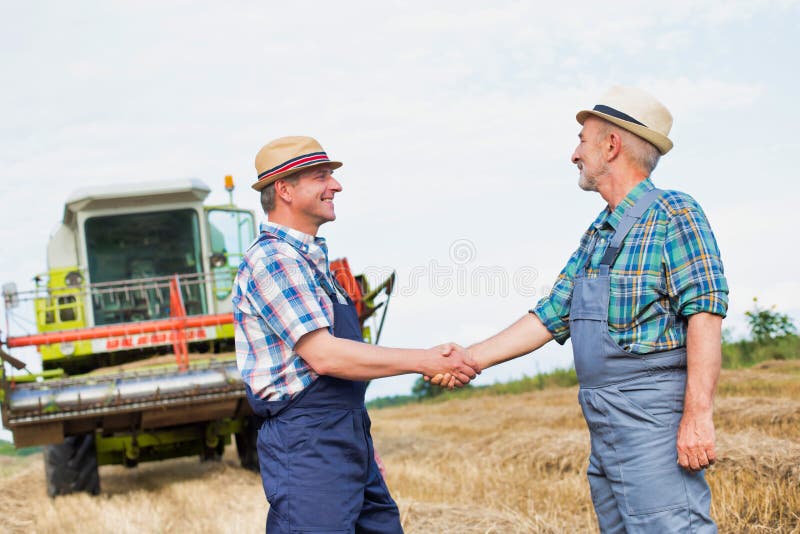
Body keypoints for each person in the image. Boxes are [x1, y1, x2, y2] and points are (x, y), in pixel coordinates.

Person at [432, 87, 728, 532]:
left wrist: (697, 416)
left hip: (651, 417)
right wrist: (470, 358)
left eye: (582, 140)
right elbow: (552, 314)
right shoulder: (599, 233)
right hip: (602, 415)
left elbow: (705, 314)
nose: (574, 154)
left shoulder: (675, 213)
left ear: (611, 146)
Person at [233, 135, 480, 533]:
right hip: (308, 446)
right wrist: (425, 360)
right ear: (284, 189)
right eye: (321, 176)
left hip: (346, 436)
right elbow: (326, 356)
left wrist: (360, 440)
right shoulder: (274, 260)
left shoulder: (311, 262)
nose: (336, 186)